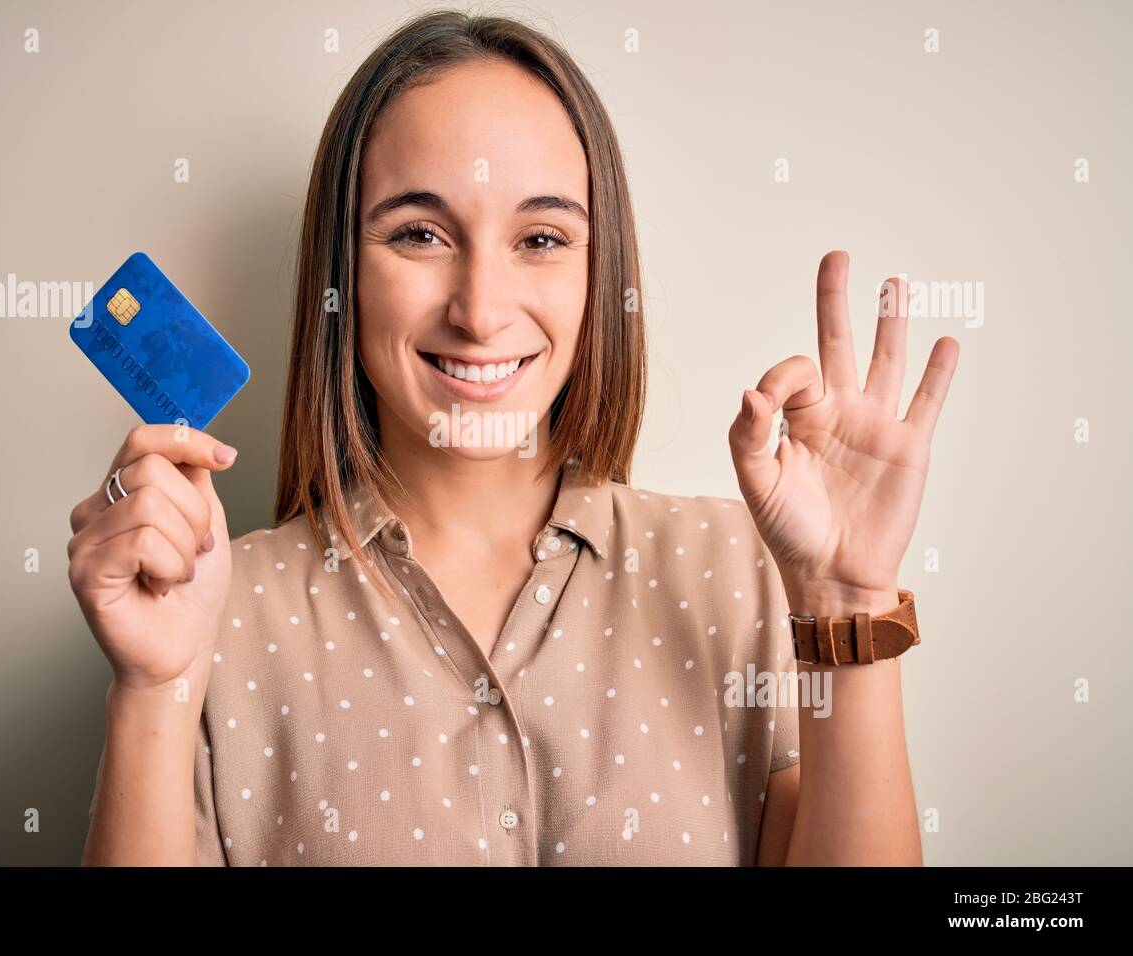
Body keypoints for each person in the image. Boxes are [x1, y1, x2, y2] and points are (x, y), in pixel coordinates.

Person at [71, 10, 957, 866]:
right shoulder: (213, 609)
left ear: (596, 274)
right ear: (344, 272)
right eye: (420, 234)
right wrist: (152, 693)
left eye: (540, 237)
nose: (482, 309)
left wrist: (847, 598)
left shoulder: (741, 570)